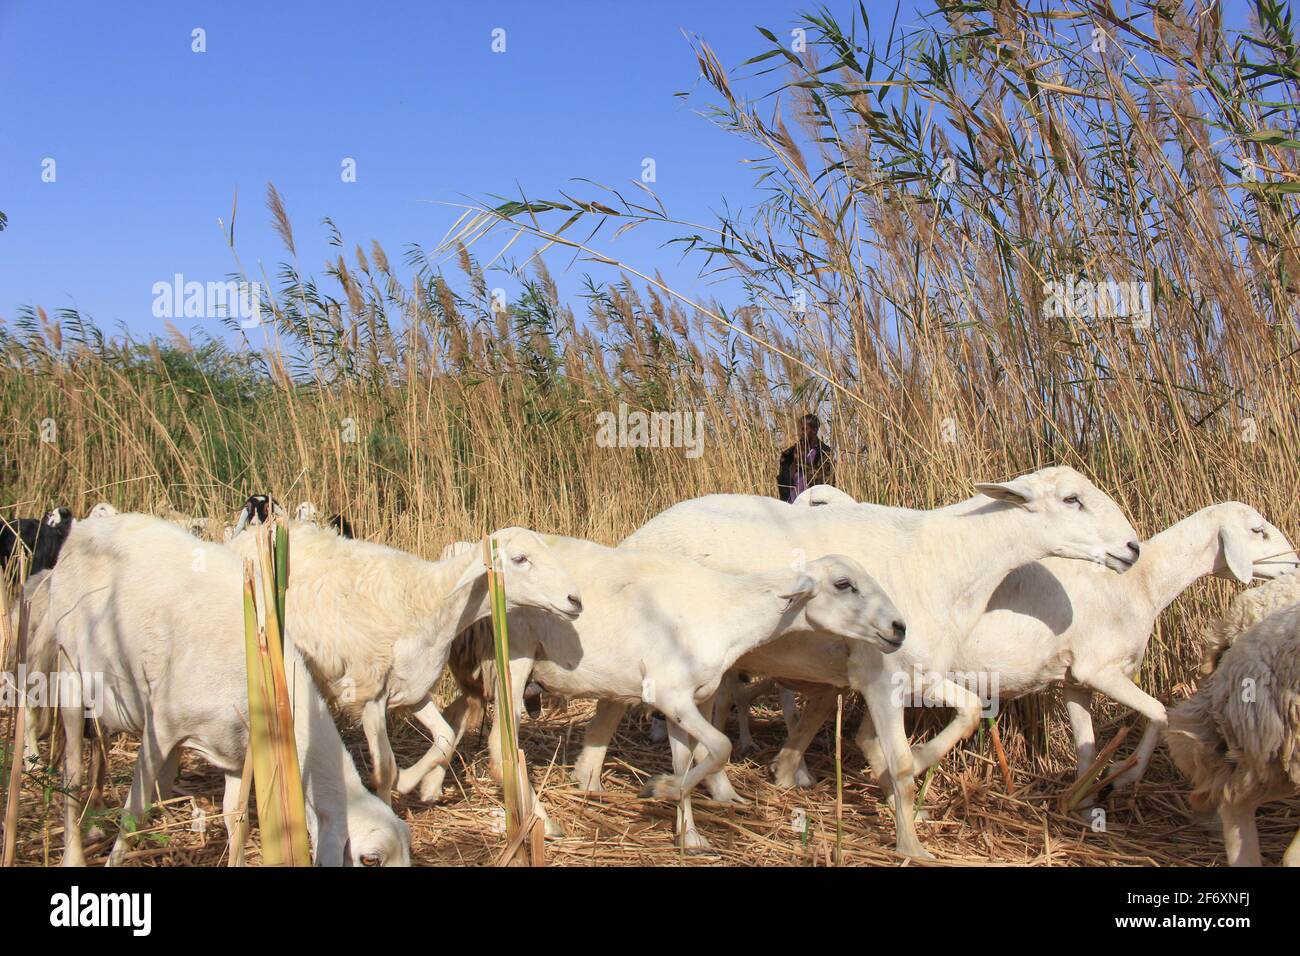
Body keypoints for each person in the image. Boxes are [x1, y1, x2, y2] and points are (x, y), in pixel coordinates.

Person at [777, 414, 833, 503]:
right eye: (799, 430)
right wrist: (795, 463)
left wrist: (803, 463)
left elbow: (826, 483)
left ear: (814, 430)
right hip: (791, 506)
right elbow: (782, 486)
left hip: (813, 508)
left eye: (804, 429)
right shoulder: (788, 454)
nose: (800, 433)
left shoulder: (825, 453)